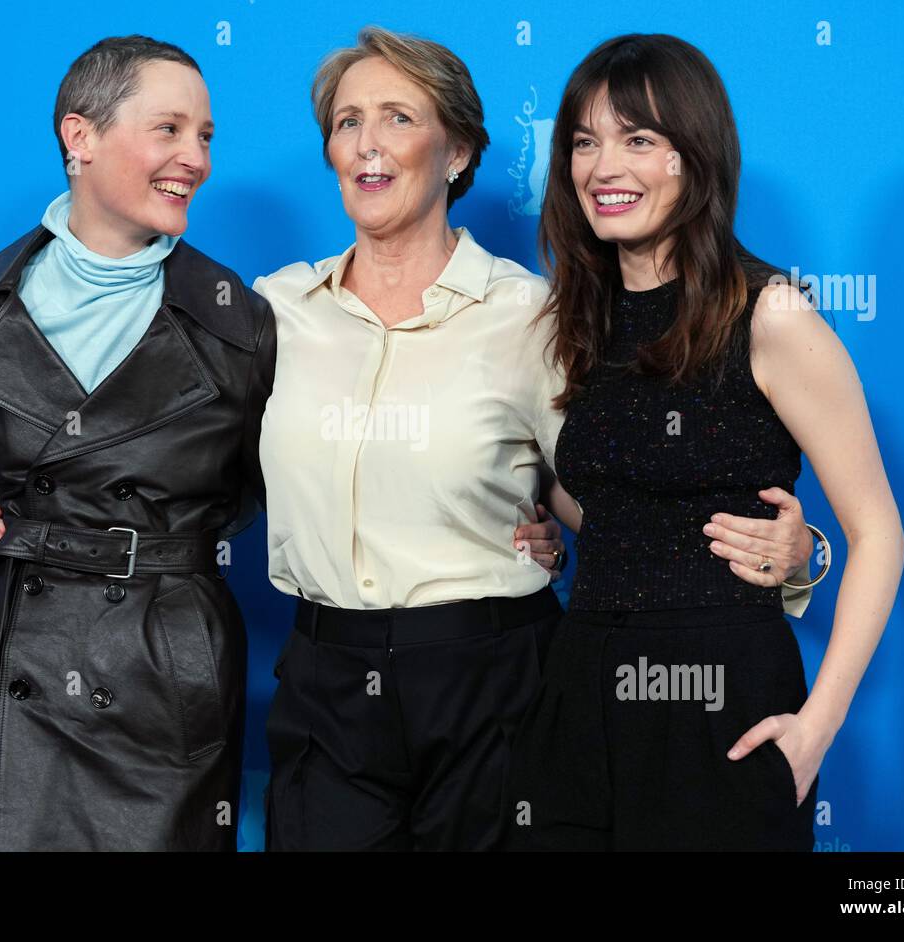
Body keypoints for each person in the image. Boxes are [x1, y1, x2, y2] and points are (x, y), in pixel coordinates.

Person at [250, 27, 817, 852]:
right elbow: (184, 449)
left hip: (492, 682)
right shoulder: (274, 312)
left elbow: (618, 490)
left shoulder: (540, 315)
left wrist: (801, 554)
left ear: (457, 153)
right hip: (325, 685)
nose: (367, 144)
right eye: (346, 122)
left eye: (398, 118)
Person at [501, 33, 904, 851]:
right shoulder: (576, 321)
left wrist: (815, 728)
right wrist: (537, 505)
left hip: (721, 707)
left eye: (638, 139)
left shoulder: (771, 315)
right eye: (585, 142)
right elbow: (619, 504)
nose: (603, 166)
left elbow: (880, 534)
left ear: (696, 156)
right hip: (579, 698)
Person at [0, 35, 275, 851]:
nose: (195, 158)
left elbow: (259, 494)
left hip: (161, 687)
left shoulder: (240, 321)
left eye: (205, 136)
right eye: (169, 130)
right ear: (81, 137)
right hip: (2, 676)